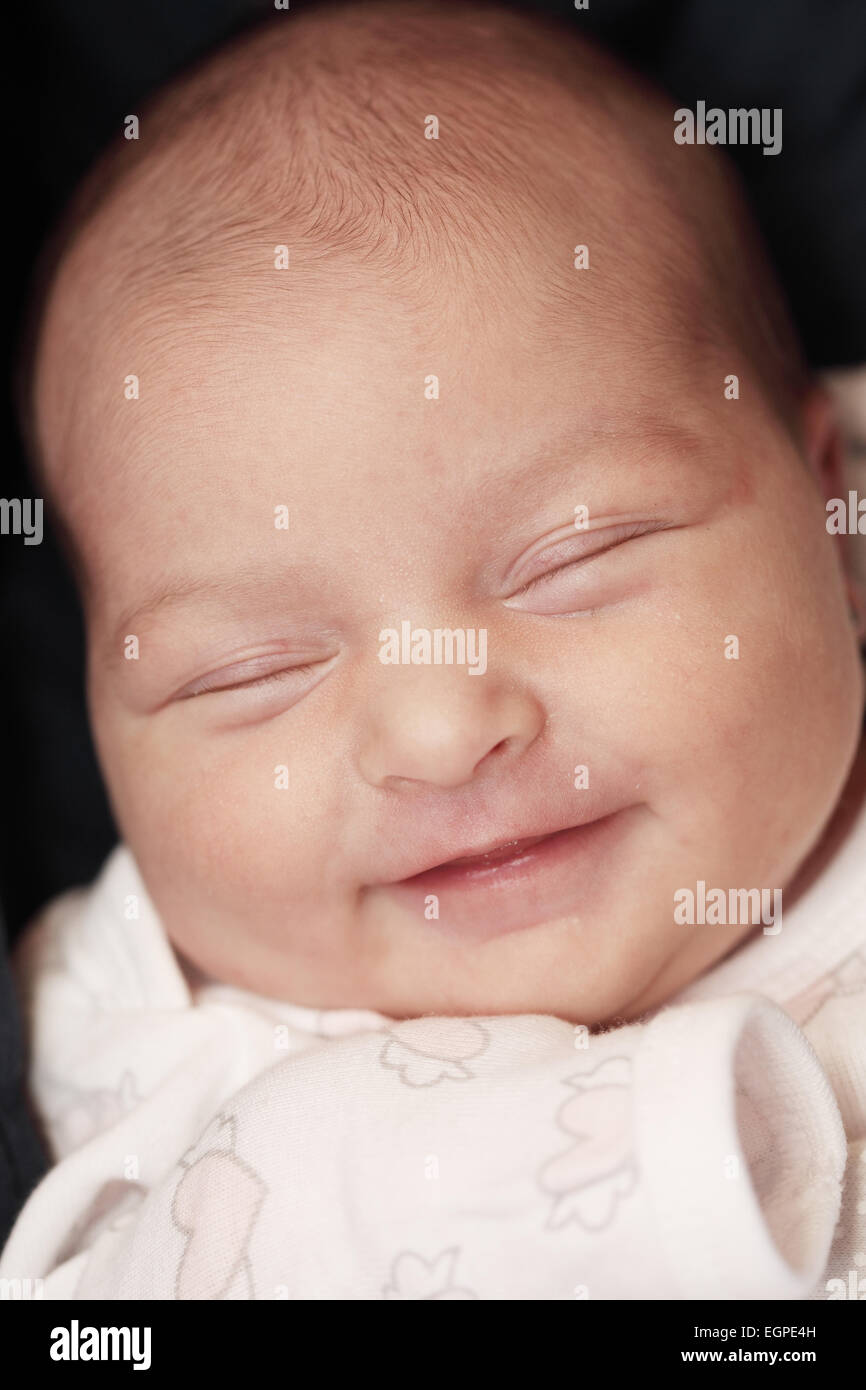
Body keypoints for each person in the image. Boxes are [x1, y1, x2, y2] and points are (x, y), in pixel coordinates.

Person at [1, 0, 864, 1296]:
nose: (440, 731)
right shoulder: (127, 1023)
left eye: (573, 559)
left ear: (832, 514)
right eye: (249, 670)